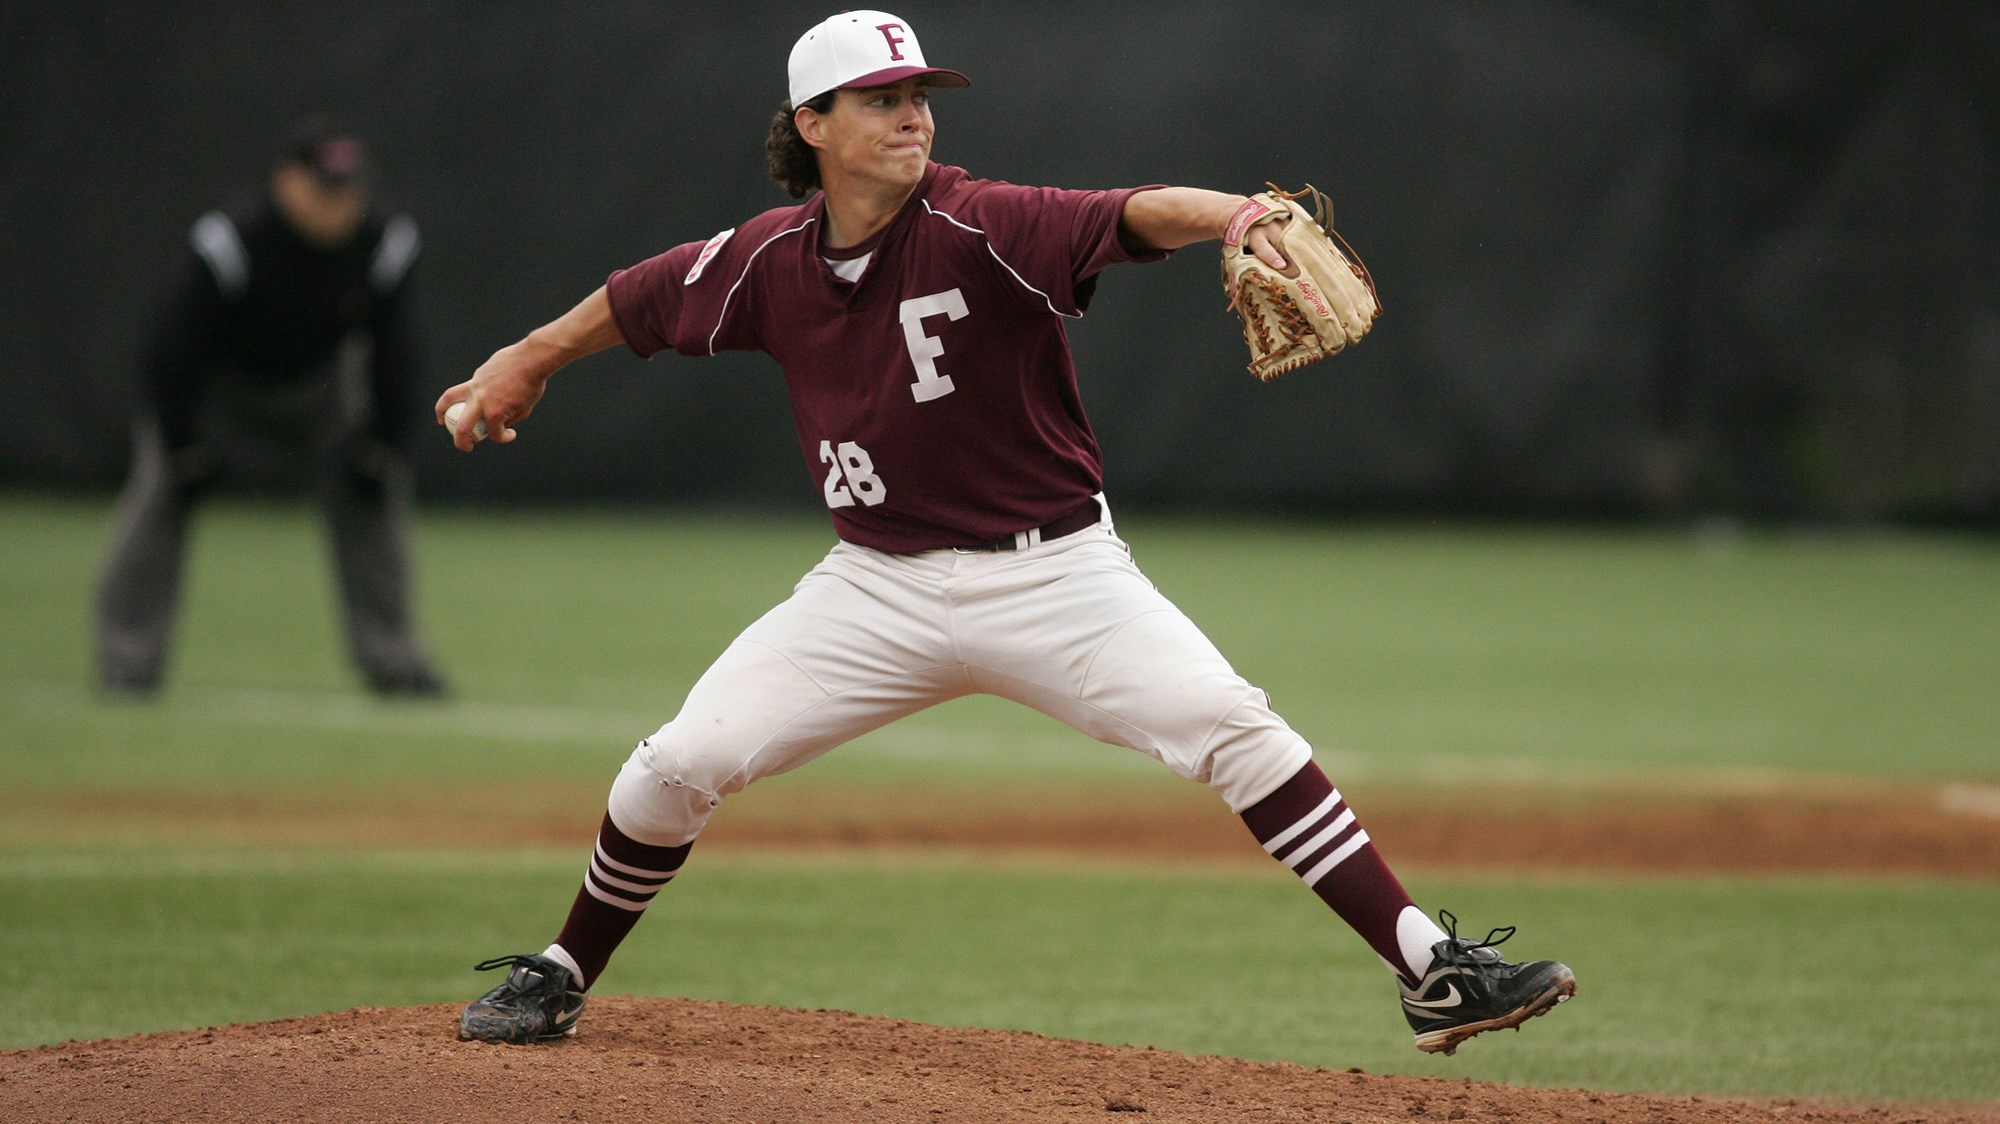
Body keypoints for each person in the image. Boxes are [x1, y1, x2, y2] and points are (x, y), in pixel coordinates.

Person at [442, 11, 1575, 1056]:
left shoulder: (978, 221)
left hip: (1057, 577)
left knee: (1231, 725)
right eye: (880, 97)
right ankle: (560, 968)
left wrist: (1233, 214)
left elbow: (1128, 212)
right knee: (679, 762)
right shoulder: (765, 260)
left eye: (919, 94)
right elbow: (638, 299)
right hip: (872, 589)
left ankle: (1430, 967)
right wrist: (520, 362)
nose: (911, 115)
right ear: (812, 126)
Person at [96, 118, 448, 698]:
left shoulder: (382, 241)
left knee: (377, 491)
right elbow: (172, 353)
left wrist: (384, 442)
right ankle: (128, 660)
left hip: (320, 393)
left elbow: (395, 354)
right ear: (286, 182)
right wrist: (184, 445)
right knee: (158, 489)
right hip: (223, 392)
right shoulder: (233, 240)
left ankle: (394, 657)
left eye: (348, 190)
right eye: (323, 188)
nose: (338, 205)